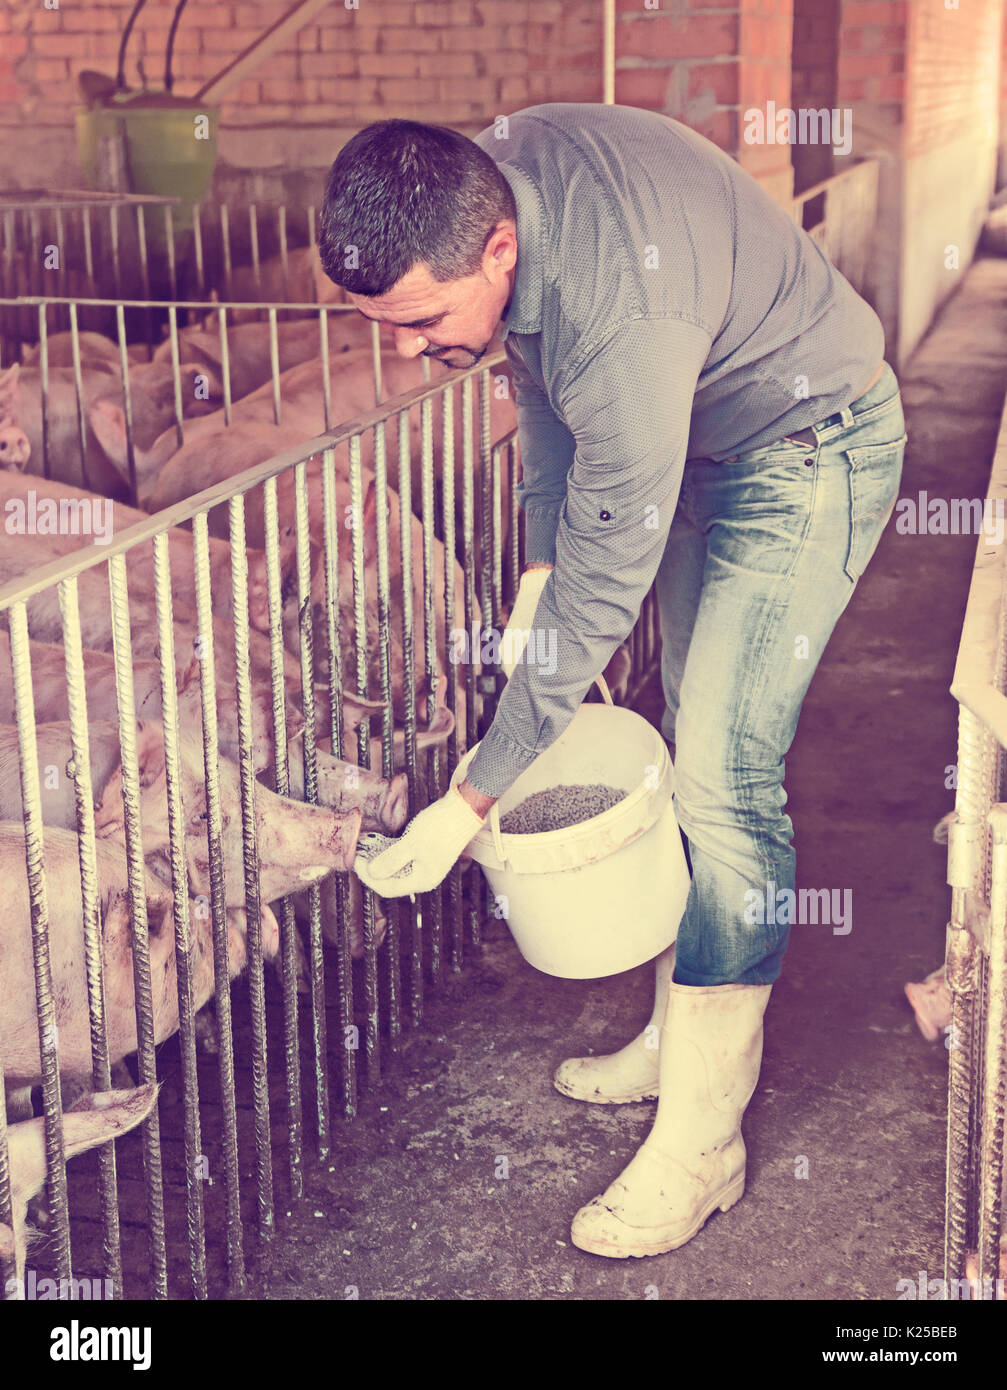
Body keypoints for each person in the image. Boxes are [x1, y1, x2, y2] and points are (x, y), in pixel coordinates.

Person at [317, 104, 907, 1259]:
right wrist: (538, 558)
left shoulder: (619, 315)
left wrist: (470, 798)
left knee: (725, 780)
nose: (401, 348)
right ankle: (678, 1030)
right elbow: (540, 388)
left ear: (494, 251)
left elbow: (600, 591)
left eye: (419, 320)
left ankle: (705, 1144)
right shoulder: (507, 192)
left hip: (805, 448)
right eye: (379, 323)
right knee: (690, 743)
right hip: (703, 429)